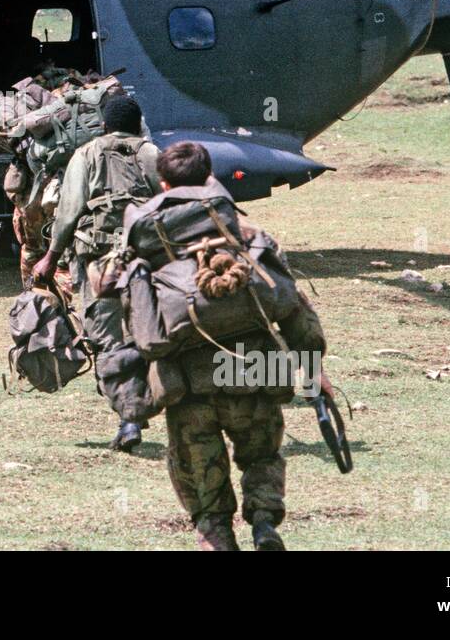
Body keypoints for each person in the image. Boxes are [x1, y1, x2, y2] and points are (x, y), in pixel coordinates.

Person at [142, 142, 331, 552]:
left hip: (191, 385)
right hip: (256, 371)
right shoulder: (247, 237)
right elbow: (291, 305)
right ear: (210, 178)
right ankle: (264, 524)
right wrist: (314, 370)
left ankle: (216, 536)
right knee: (262, 456)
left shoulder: (149, 246)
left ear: (163, 183)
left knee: (199, 472)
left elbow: (135, 322)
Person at [31, 94, 160, 452]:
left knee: (106, 338)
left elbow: (68, 212)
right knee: (147, 333)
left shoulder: (85, 155)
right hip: (147, 261)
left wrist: (50, 258)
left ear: (104, 125)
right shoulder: (150, 154)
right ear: (138, 125)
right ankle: (143, 406)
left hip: (98, 265)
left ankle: (129, 418)